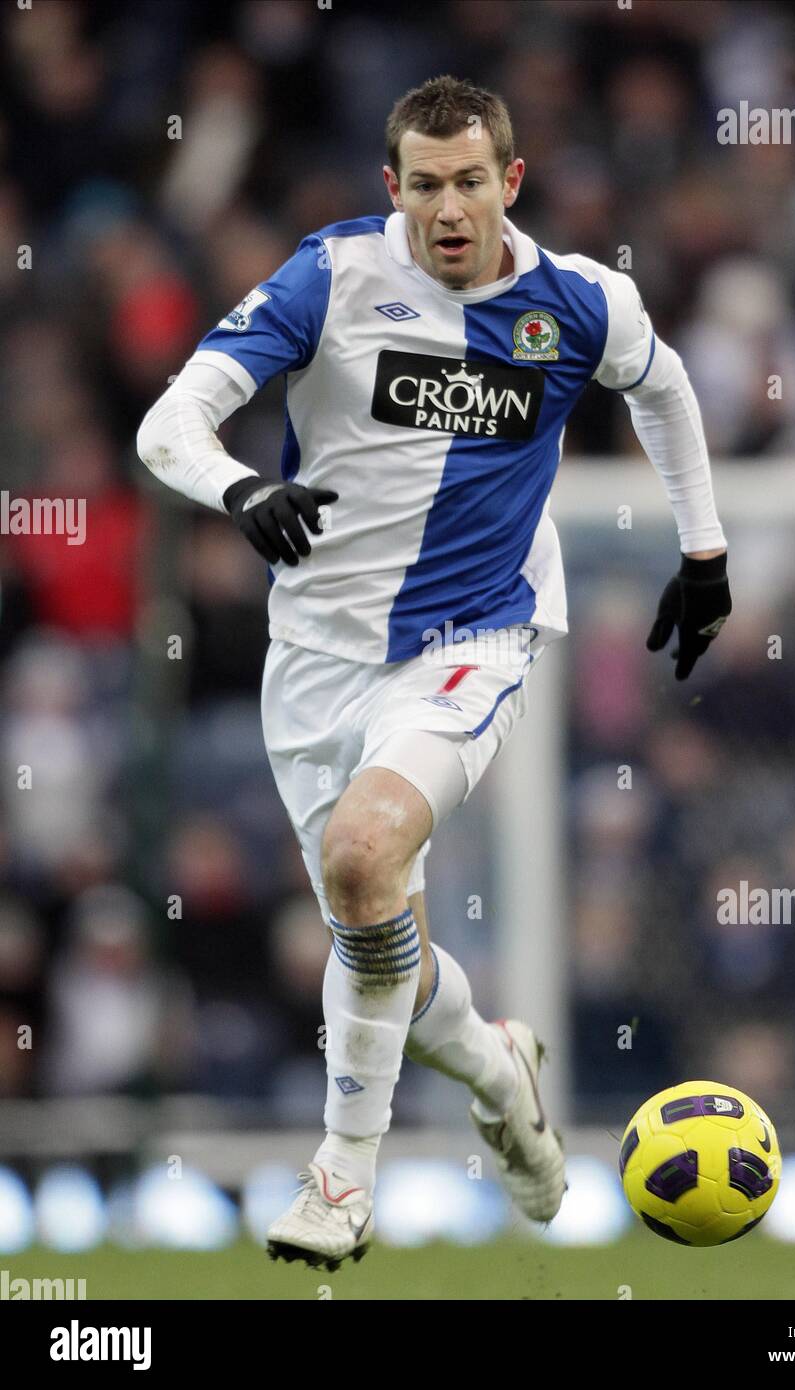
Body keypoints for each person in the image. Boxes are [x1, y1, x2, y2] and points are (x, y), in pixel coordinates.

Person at [136, 74, 731, 1271]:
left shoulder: (576, 303)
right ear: (391, 187)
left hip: (469, 643)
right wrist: (241, 488)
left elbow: (661, 387)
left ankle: (341, 1178)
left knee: (364, 857)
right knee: (376, 942)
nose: (447, 210)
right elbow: (168, 425)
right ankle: (498, 1068)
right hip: (311, 663)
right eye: (423, 186)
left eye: (469, 182)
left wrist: (704, 549)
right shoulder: (333, 277)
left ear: (509, 182)